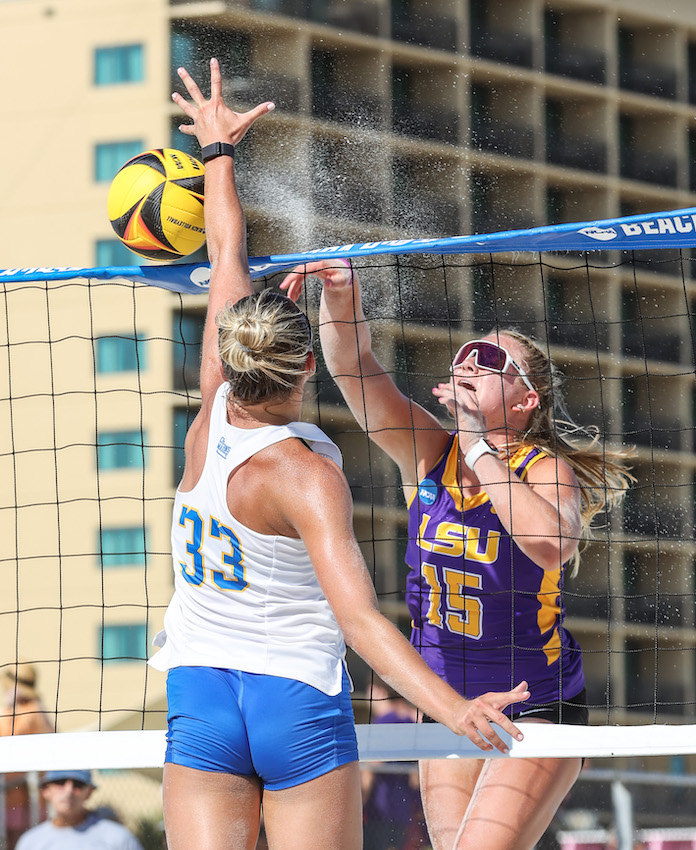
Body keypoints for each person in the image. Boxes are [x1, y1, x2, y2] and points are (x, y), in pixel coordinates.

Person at [148, 58, 531, 850]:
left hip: (201, 693)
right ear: (306, 367)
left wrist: (216, 150)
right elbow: (358, 619)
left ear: (232, 356)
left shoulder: (208, 414)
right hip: (293, 700)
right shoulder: (308, 476)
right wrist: (454, 709)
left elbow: (226, 249)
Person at [280, 259, 635, 850]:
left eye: (489, 359)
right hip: (449, 703)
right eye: (465, 354)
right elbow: (353, 370)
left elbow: (551, 545)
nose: (468, 362)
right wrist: (340, 297)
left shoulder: (545, 469)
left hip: (537, 702)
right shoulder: (428, 450)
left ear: (525, 400)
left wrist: (476, 446)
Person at [361, 679, 426, 850]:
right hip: (404, 811)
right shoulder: (410, 719)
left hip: (380, 809)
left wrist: (359, 804)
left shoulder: (384, 721)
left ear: (379, 690)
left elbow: (370, 768)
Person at [15, 770, 143, 849]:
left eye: (78, 784)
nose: (69, 791)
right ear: (45, 790)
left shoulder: (118, 838)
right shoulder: (30, 842)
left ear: (89, 792)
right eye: (60, 782)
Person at [1, 664, 53, 848]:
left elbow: (7, 736)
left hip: (28, 793)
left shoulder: (33, 710)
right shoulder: (24, 709)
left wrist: (6, 709)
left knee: (23, 839)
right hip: (10, 792)